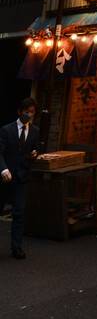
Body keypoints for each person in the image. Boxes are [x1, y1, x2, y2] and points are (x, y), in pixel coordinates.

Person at [0, 98, 43, 260]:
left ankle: (16, 247)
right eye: (26, 112)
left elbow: (36, 148)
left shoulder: (35, 131)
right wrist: (3, 169)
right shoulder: (6, 130)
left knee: (19, 212)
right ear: (20, 112)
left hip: (21, 176)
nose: (29, 115)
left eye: (32, 113)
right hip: (5, 176)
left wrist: (34, 153)